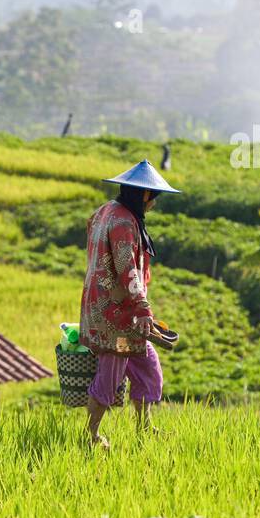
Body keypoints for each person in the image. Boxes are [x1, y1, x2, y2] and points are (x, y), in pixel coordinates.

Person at [78, 160, 181, 448]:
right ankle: (92, 435)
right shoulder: (123, 222)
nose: (154, 205)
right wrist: (142, 306)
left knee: (148, 366)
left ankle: (145, 427)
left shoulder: (105, 212)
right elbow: (127, 268)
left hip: (121, 316)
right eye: (154, 199)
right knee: (111, 373)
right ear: (145, 195)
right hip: (116, 321)